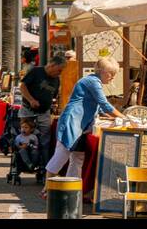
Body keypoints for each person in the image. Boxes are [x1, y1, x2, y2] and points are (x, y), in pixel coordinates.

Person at [44, 58, 123, 187]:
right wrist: (124, 118)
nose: (113, 77)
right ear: (103, 72)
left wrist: (112, 117)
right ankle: (47, 188)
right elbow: (105, 105)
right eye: (111, 74)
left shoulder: (92, 81)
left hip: (80, 125)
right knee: (62, 154)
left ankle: (71, 188)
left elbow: (100, 108)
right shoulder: (92, 82)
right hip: (72, 122)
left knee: (77, 158)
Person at [19, 54, 66, 173]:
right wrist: (31, 100)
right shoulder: (36, 71)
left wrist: (54, 105)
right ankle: (26, 164)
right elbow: (23, 86)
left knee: (45, 140)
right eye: (59, 70)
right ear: (52, 65)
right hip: (28, 110)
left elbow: (54, 96)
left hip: (44, 113)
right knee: (26, 137)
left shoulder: (56, 79)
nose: (59, 73)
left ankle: (45, 167)